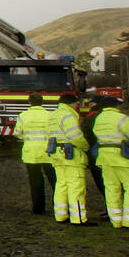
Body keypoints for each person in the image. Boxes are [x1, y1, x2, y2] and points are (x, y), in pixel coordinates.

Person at [92, 97, 129, 229]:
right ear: (116, 106)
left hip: (104, 157)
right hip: (122, 157)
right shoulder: (121, 118)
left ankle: (116, 220)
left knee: (111, 188)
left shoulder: (99, 118)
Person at [49, 93, 91, 225]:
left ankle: (60, 216)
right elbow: (75, 137)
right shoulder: (68, 115)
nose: (77, 106)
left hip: (56, 153)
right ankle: (78, 218)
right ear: (71, 103)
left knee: (61, 184)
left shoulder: (53, 115)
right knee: (76, 185)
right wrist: (85, 146)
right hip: (70, 154)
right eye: (76, 104)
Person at [14, 93, 56, 215]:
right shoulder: (50, 115)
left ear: (29, 102)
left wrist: (26, 138)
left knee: (35, 180)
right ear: (42, 102)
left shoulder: (23, 116)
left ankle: (38, 208)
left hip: (30, 152)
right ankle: (59, 207)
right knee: (54, 180)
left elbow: (17, 133)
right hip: (48, 152)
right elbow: (54, 132)